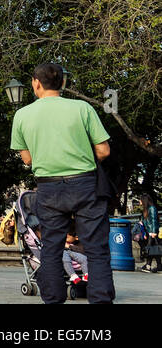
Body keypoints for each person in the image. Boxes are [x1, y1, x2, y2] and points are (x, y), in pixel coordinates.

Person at [11, 61, 114, 304]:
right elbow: (103, 150)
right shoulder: (82, 108)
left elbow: (27, 158)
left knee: (51, 250)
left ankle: (53, 300)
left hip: (49, 187)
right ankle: (100, 300)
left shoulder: (22, 115)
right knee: (96, 250)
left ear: (36, 84)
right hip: (85, 184)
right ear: (63, 83)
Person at [138, 194, 161, 272]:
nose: (139, 201)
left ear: (144, 200)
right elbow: (146, 221)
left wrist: (153, 232)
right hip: (149, 232)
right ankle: (157, 265)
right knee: (153, 249)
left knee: (150, 248)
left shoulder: (152, 208)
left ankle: (148, 265)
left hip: (152, 232)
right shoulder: (146, 209)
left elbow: (154, 220)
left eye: (140, 199)